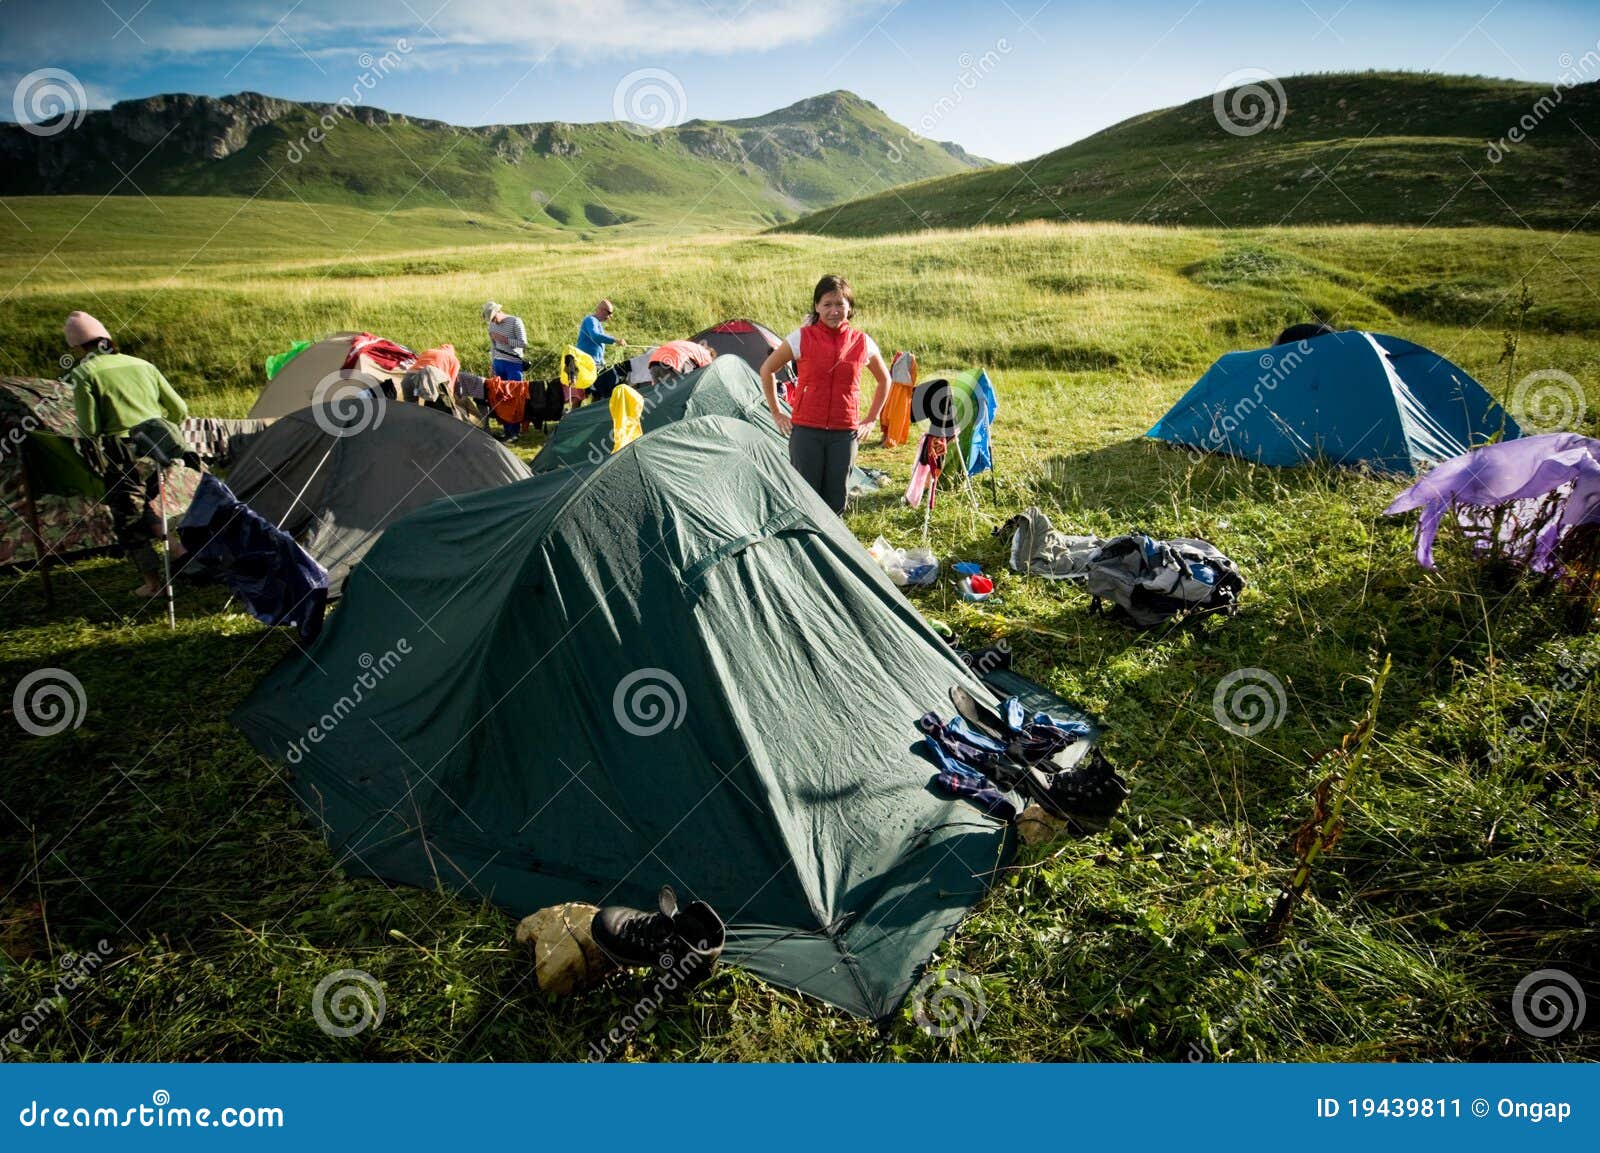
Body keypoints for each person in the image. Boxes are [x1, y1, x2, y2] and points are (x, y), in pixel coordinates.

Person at [60, 310, 190, 597]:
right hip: (157, 449)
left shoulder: (83, 373)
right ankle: (180, 552)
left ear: (79, 348)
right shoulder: (143, 364)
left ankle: (153, 584)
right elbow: (180, 410)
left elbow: (90, 428)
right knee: (151, 506)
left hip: (121, 454)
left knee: (128, 520)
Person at [759, 274, 890, 514]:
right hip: (806, 432)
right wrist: (777, 413)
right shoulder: (801, 338)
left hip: (844, 434)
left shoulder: (862, 342)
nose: (834, 310)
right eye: (827, 304)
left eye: (840, 304)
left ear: (849, 307)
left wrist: (871, 419)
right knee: (805, 500)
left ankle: (830, 549)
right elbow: (767, 369)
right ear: (817, 306)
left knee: (836, 500)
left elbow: (885, 380)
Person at [484, 301, 529, 438]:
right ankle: (507, 430)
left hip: (514, 364)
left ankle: (514, 432)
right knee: (501, 398)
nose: (493, 322)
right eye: (490, 320)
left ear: (498, 312)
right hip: (498, 363)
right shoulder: (491, 325)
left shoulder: (515, 321)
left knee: (514, 398)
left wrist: (505, 340)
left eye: (493, 318)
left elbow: (523, 343)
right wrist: (492, 366)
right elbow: (493, 346)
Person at [575, 299, 626, 408]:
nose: (610, 316)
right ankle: (572, 418)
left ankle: (593, 415)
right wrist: (615, 340)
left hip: (596, 364)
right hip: (587, 364)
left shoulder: (596, 323)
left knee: (597, 393)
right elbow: (595, 336)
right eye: (609, 313)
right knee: (581, 394)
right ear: (601, 310)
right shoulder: (590, 320)